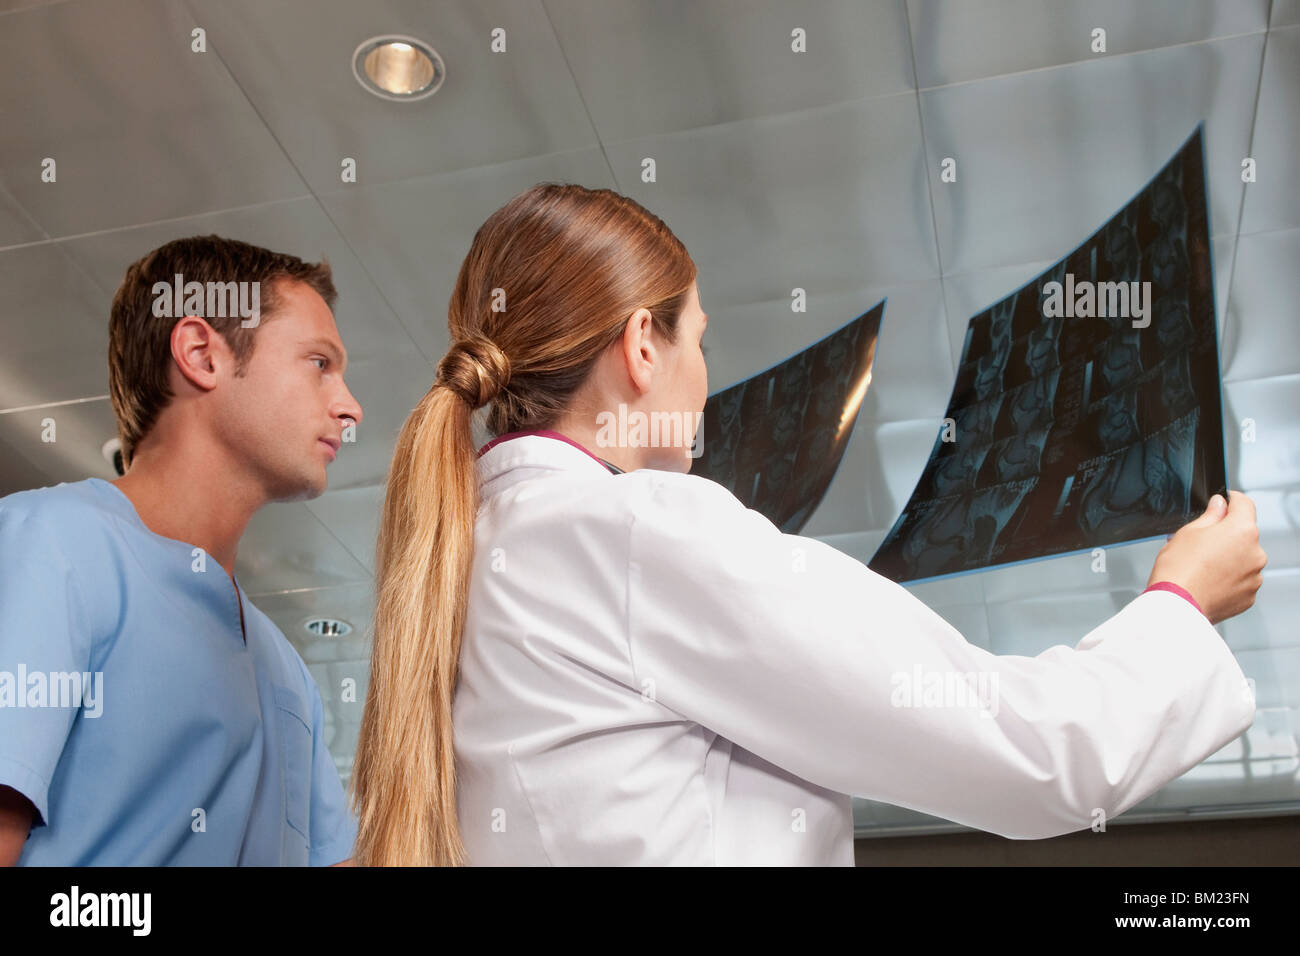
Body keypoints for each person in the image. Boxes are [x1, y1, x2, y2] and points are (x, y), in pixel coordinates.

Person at [350, 183, 1266, 866]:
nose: (703, 379)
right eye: (698, 340)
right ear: (640, 347)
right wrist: (1182, 602)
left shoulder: (461, 561)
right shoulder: (638, 533)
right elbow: (1036, 754)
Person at [0, 236, 364, 865]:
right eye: (318, 363)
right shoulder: (52, 546)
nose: (349, 407)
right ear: (201, 354)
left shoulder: (287, 675)